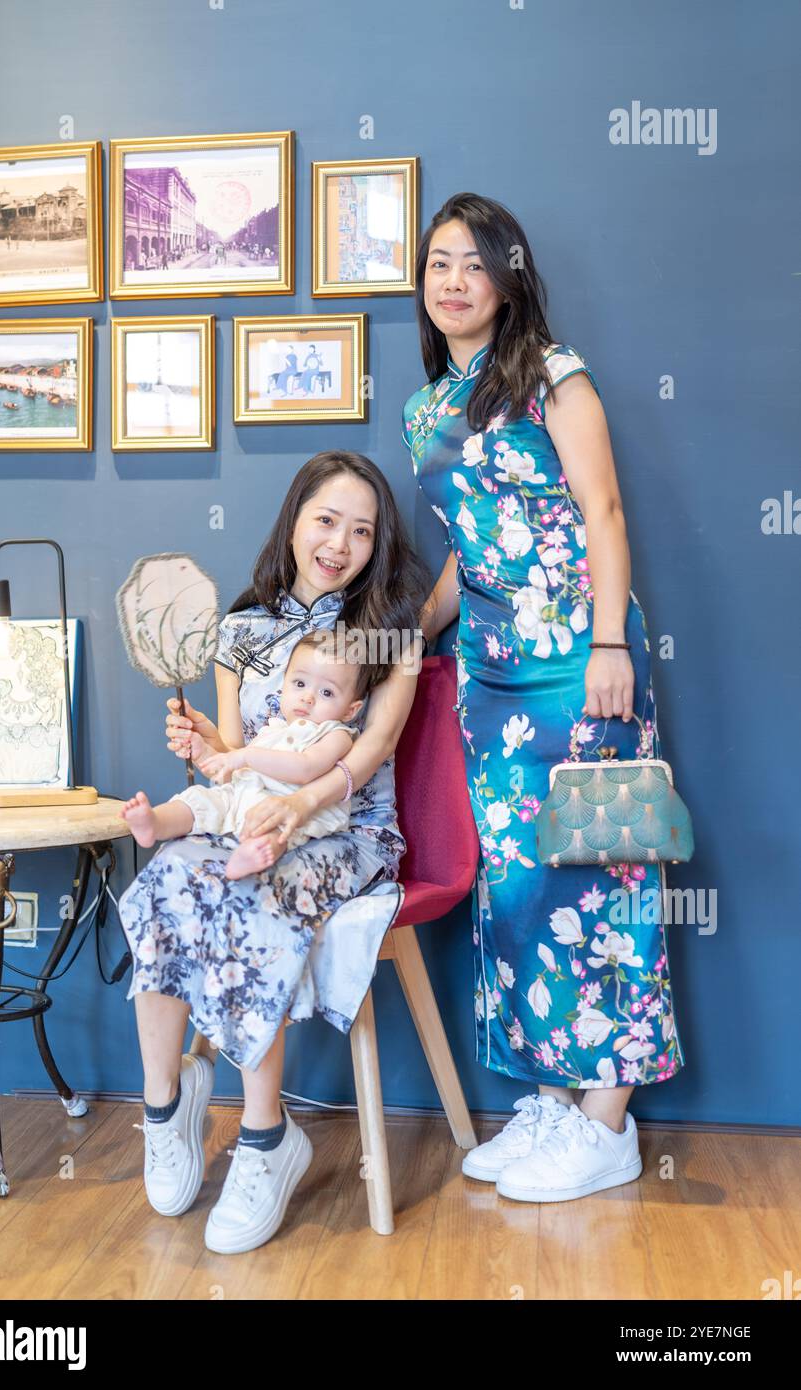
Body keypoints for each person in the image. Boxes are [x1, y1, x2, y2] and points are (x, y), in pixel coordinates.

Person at [402, 192, 685, 1204]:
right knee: (517, 889)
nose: (451, 281)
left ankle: (608, 1119)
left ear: (508, 278)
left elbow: (600, 509)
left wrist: (609, 640)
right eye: (437, 262)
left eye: (472, 263)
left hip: (575, 660)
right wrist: (409, 637)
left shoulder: (553, 376)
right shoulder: (429, 405)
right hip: (487, 679)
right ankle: (556, 1097)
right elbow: (461, 548)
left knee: (596, 876)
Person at [118, 450, 430, 1254]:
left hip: (347, 830)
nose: (340, 543)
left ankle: (265, 1138)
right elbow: (241, 749)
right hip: (255, 807)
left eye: (362, 531)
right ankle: (165, 1104)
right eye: (326, 520)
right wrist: (204, 745)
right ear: (294, 521)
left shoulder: (388, 633)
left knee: (253, 888)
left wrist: (298, 806)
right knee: (164, 879)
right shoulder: (243, 630)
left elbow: (369, 753)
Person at [119, 630, 368, 880]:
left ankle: (250, 856)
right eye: (300, 684)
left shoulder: (336, 734)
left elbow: (306, 769)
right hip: (242, 797)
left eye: (327, 692)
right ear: (284, 684)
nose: (308, 697)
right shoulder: (274, 729)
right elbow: (237, 773)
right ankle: (156, 822)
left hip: (290, 809)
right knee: (199, 799)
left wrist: (245, 756)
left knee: (277, 832)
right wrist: (205, 751)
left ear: (350, 709)